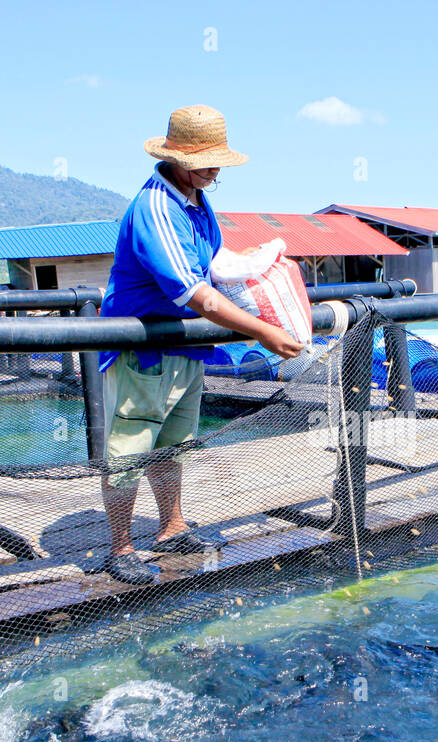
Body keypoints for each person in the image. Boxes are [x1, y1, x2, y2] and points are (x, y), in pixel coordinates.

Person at [98, 104, 304, 585]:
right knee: (129, 448)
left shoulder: (195, 199)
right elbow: (196, 293)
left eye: (219, 162)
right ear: (176, 158)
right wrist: (262, 330)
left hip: (184, 345)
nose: (215, 171)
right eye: (207, 162)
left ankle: (172, 527)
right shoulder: (156, 206)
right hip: (143, 346)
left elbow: (213, 263)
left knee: (174, 442)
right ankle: (120, 546)